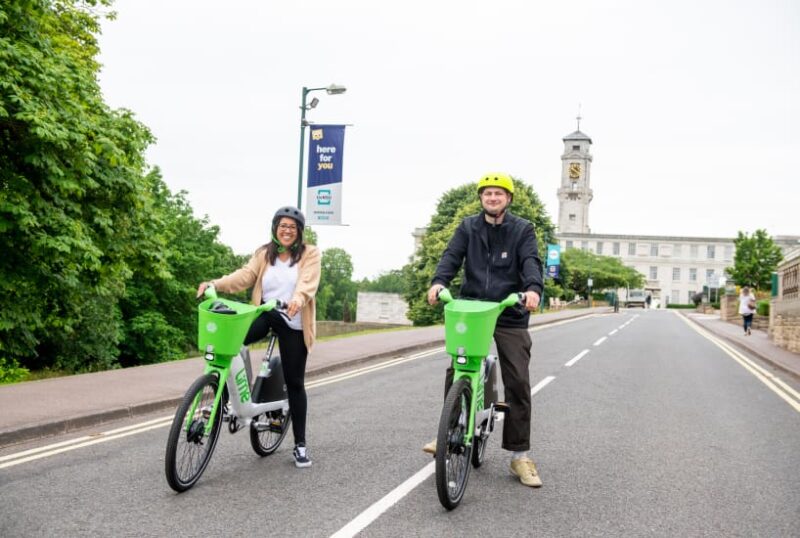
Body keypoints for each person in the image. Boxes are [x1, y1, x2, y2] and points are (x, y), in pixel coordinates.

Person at [425, 173, 544, 488]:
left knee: (518, 380)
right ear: (481, 198)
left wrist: (532, 289)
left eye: (499, 194)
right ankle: (450, 431)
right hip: (473, 308)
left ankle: (520, 456)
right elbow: (451, 258)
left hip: (509, 310)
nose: (493, 198)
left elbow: (531, 262)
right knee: (458, 368)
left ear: (508, 199)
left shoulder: (522, 230)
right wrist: (439, 282)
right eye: (488, 194)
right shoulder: (468, 227)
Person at [197, 206, 321, 468]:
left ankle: (300, 445)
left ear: (299, 231)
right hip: (267, 312)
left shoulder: (310, 254)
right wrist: (215, 284)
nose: (287, 231)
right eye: (282, 226)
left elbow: (308, 282)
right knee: (232, 341)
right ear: (275, 228)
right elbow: (244, 276)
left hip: (295, 322)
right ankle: (235, 394)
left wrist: (298, 300)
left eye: (292, 227)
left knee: (295, 382)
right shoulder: (265, 253)